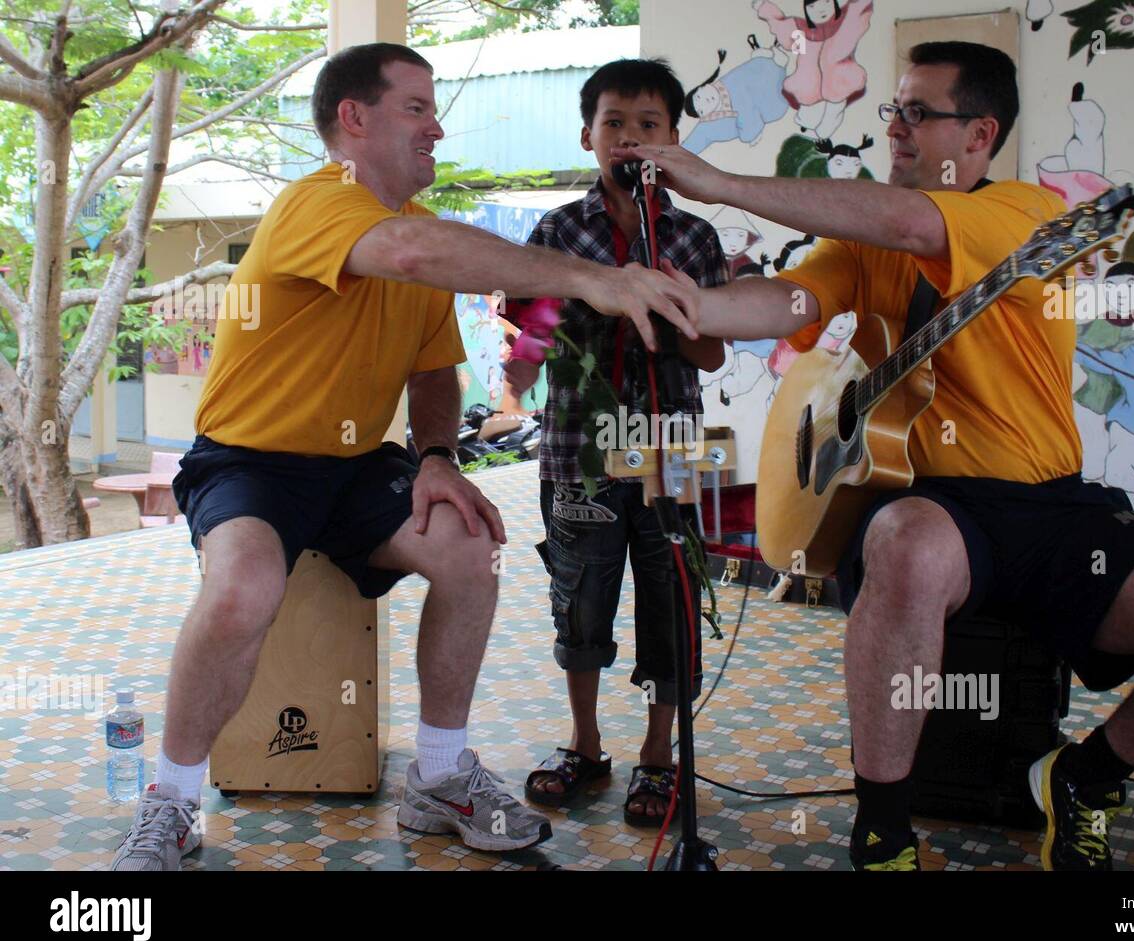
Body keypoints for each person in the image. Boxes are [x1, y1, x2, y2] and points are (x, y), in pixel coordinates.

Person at [617, 41, 1134, 870]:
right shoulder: (865, 244)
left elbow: (909, 221)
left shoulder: (1025, 212)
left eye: (917, 112)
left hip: (1052, 507)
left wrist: (718, 181)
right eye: (893, 109)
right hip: (929, 503)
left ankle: (1086, 774)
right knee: (906, 538)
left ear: (979, 135)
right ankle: (884, 828)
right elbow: (790, 300)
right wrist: (692, 304)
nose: (896, 129)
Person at [110, 42, 699, 871]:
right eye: (417, 108)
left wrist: (436, 457)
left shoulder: (422, 234)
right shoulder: (319, 203)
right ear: (354, 119)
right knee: (244, 585)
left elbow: (433, 371)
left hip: (358, 465)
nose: (438, 127)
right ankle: (169, 801)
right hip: (250, 459)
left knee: (468, 547)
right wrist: (594, 280)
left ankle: (439, 773)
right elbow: (411, 257)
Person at [503, 58, 727, 827]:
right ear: (587, 134)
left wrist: (671, 297)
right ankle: (586, 743)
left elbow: (712, 354)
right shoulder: (557, 230)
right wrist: (517, 377)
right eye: (614, 124)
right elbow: (529, 332)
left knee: (671, 605)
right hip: (577, 451)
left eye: (649, 126)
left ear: (674, 138)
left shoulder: (694, 236)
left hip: (670, 453)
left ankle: (660, 756)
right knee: (581, 603)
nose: (630, 138)